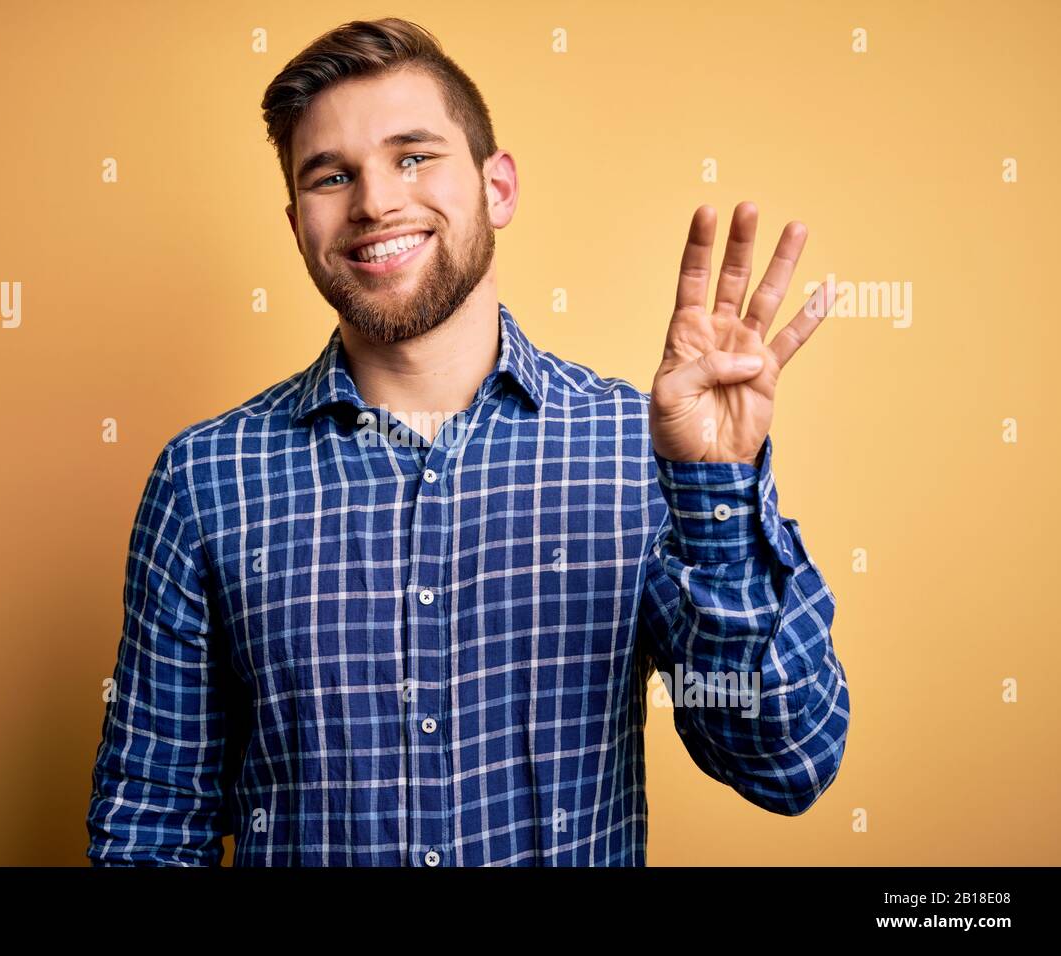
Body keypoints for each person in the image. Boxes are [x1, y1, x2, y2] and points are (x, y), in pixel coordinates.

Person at [86, 17, 849, 867]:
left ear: (498, 188)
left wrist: (715, 494)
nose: (375, 201)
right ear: (299, 224)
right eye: (333, 176)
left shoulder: (639, 454)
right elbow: (149, 828)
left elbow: (788, 762)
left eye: (414, 156)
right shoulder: (205, 482)